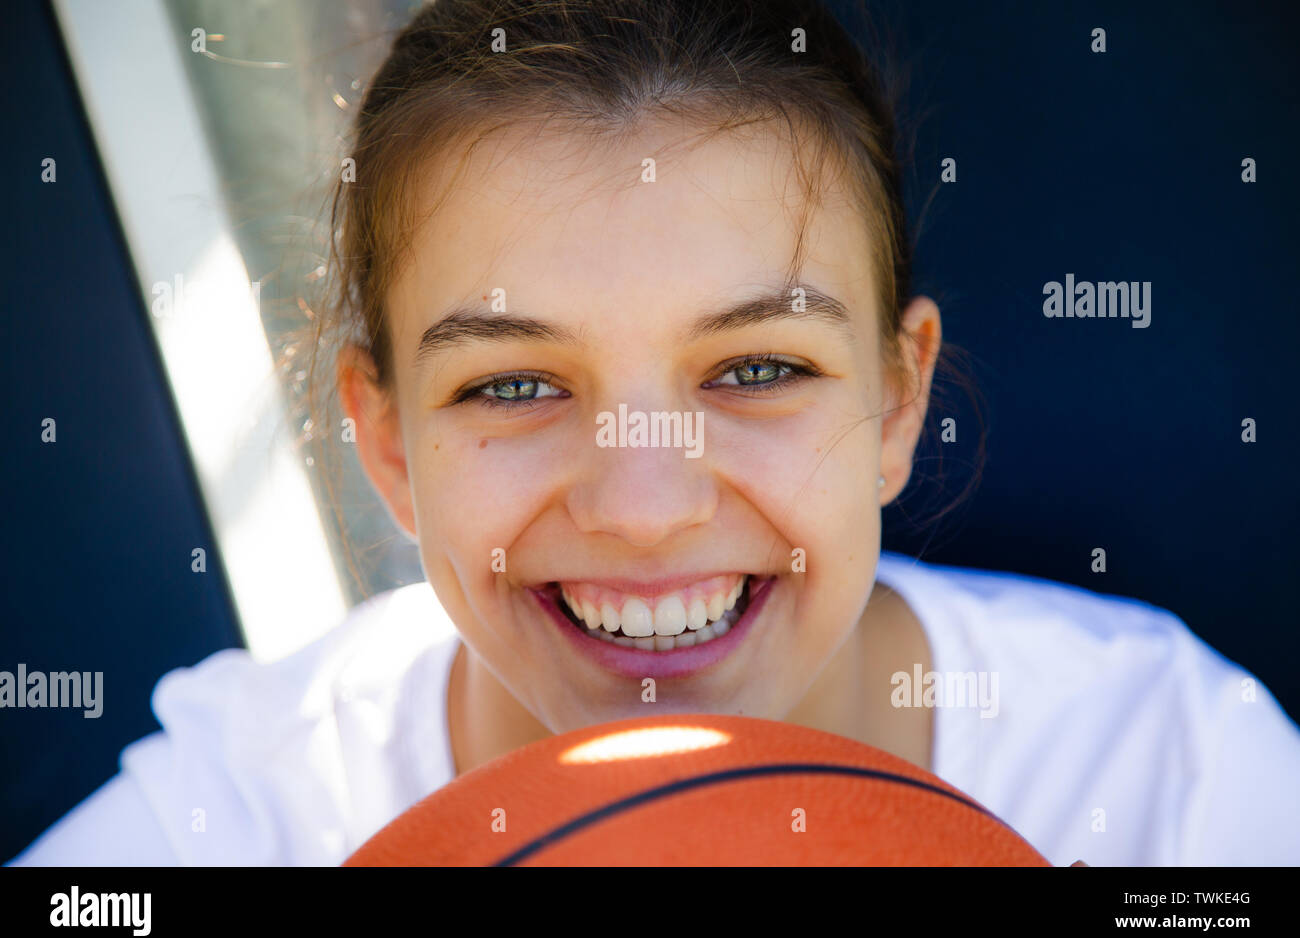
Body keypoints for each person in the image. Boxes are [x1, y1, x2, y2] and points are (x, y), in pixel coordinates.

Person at [12, 0, 1300, 866]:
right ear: (390, 444)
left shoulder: (1172, 784)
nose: (640, 506)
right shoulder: (247, 820)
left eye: (753, 366)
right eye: (513, 386)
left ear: (896, 404)